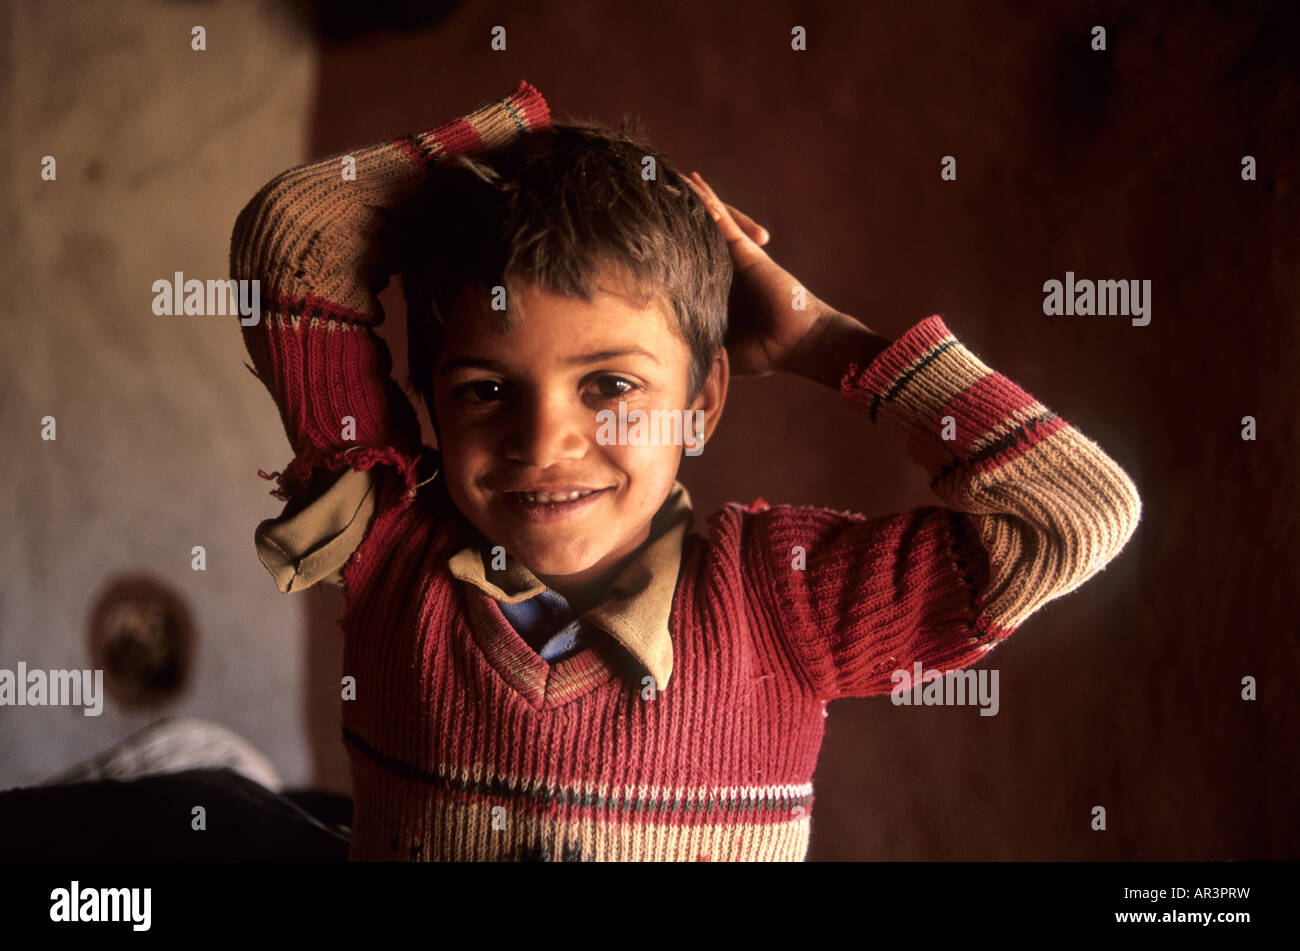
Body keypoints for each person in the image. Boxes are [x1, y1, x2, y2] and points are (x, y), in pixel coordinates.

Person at [231, 79, 1141, 861]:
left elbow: (1069, 514)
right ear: (427, 398)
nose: (544, 442)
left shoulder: (783, 608)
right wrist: (519, 136)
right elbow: (292, 240)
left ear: (702, 399)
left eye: (610, 384)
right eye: (483, 389)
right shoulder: (390, 548)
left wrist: (826, 341)